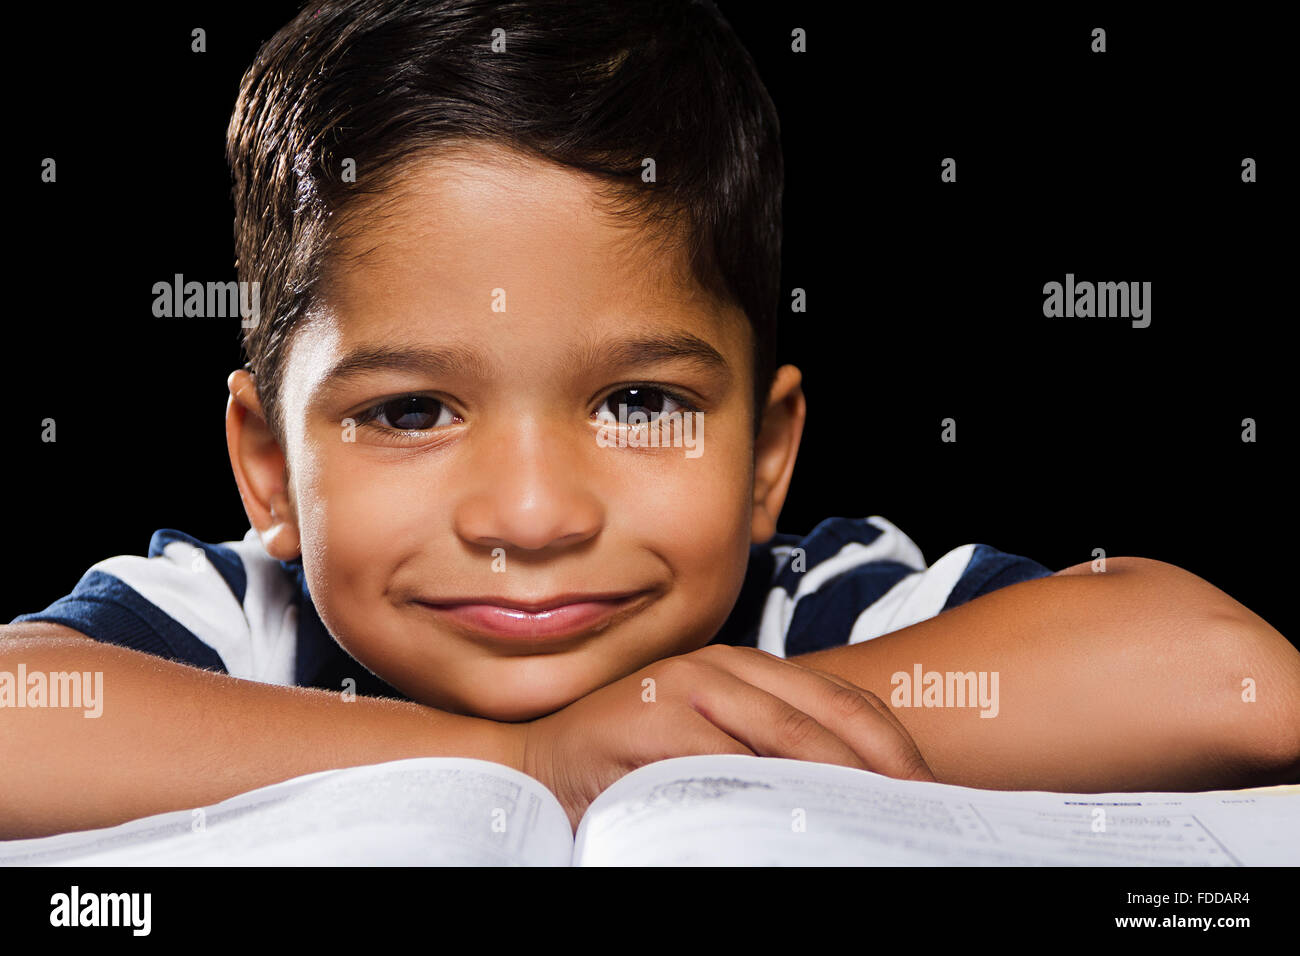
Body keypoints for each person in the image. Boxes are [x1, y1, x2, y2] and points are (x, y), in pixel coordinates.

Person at [3, 0, 1296, 840]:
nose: (533, 516)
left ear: (765, 458)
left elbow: (1221, 677)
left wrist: (706, 727)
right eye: (409, 410)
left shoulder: (815, 604)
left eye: (639, 402)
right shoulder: (234, 621)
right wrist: (527, 756)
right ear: (270, 469)